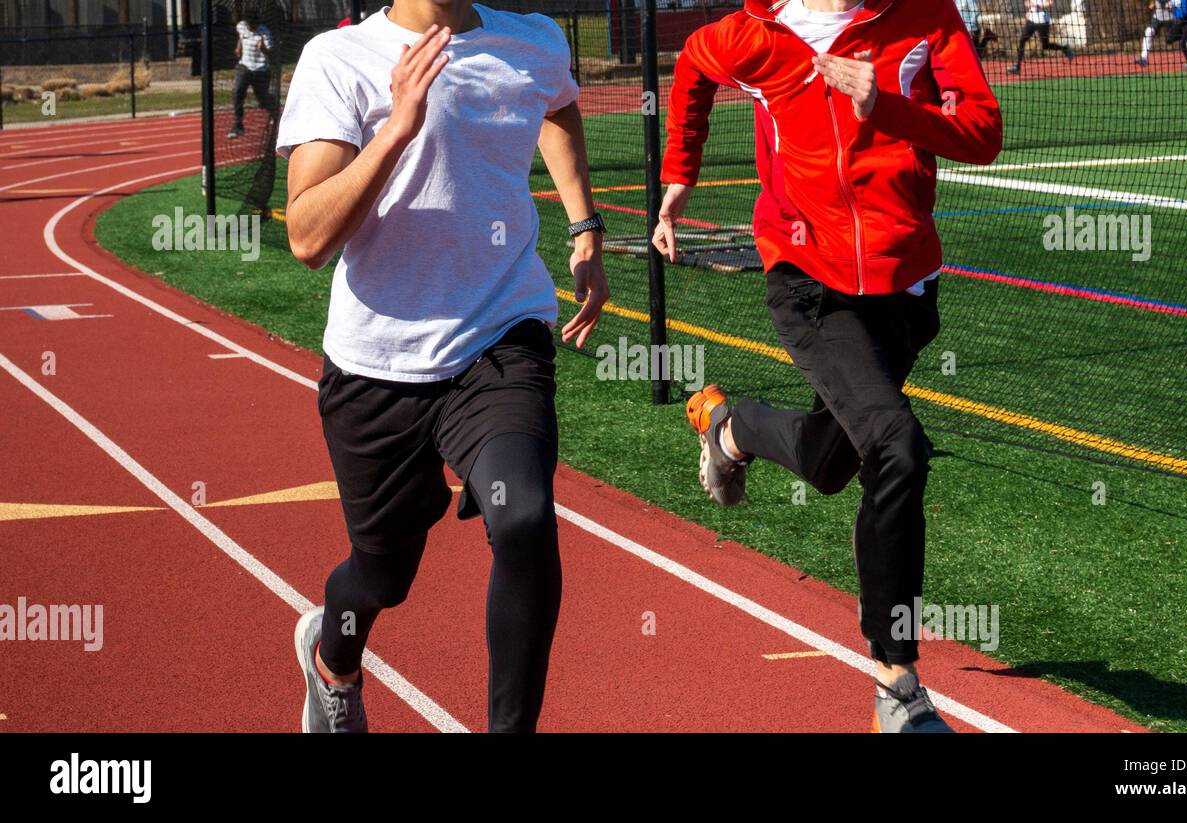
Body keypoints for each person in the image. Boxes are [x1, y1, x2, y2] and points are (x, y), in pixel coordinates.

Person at [654, 0, 1001, 732]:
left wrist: (889, 106)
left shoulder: (925, 17)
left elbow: (983, 133)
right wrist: (680, 171)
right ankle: (896, 679)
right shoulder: (757, 36)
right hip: (808, 278)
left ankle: (732, 426)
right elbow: (691, 65)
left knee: (828, 462)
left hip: (903, 283)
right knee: (898, 446)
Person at [276, 0, 608, 733]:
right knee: (381, 575)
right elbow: (306, 234)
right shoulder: (341, 60)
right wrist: (397, 127)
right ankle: (332, 658)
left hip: (498, 337)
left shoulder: (533, 40)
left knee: (522, 515)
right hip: (377, 362)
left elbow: (554, 104)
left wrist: (584, 224)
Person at [229, 9, 276, 139]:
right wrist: (238, 47)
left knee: (262, 98)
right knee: (238, 93)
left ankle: (275, 111)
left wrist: (263, 48)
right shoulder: (241, 26)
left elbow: (270, 51)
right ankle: (238, 126)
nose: (250, 27)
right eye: (248, 24)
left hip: (261, 69)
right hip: (244, 66)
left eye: (252, 25)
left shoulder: (264, 31)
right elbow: (241, 37)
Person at [1006, 0, 1073, 74]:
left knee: (1045, 46)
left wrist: (1040, 6)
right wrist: (1029, 5)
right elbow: (1026, 2)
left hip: (1043, 22)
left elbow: (1051, 2)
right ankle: (1017, 67)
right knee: (1022, 40)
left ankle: (1065, 48)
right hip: (1031, 21)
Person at [1136, 0, 1187, 70]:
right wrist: (1152, 3)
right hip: (1158, 17)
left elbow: (1179, 6)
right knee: (1149, 32)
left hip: (1172, 19)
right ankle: (1144, 58)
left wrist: (1169, 5)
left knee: (1183, 43)